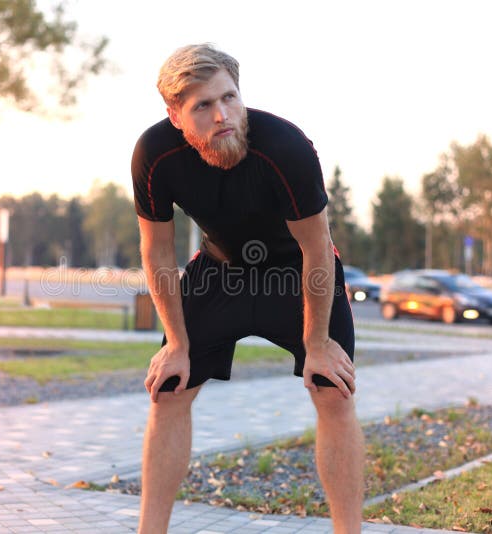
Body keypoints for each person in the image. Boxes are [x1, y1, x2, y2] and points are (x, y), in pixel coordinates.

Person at [131, 44, 364, 533]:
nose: (222, 115)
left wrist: (318, 343)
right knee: (169, 390)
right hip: (220, 270)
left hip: (297, 272)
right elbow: (157, 252)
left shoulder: (284, 146)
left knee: (334, 391)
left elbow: (317, 249)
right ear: (175, 115)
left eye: (229, 97)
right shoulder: (155, 154)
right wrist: (176, 344)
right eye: (203, 106)